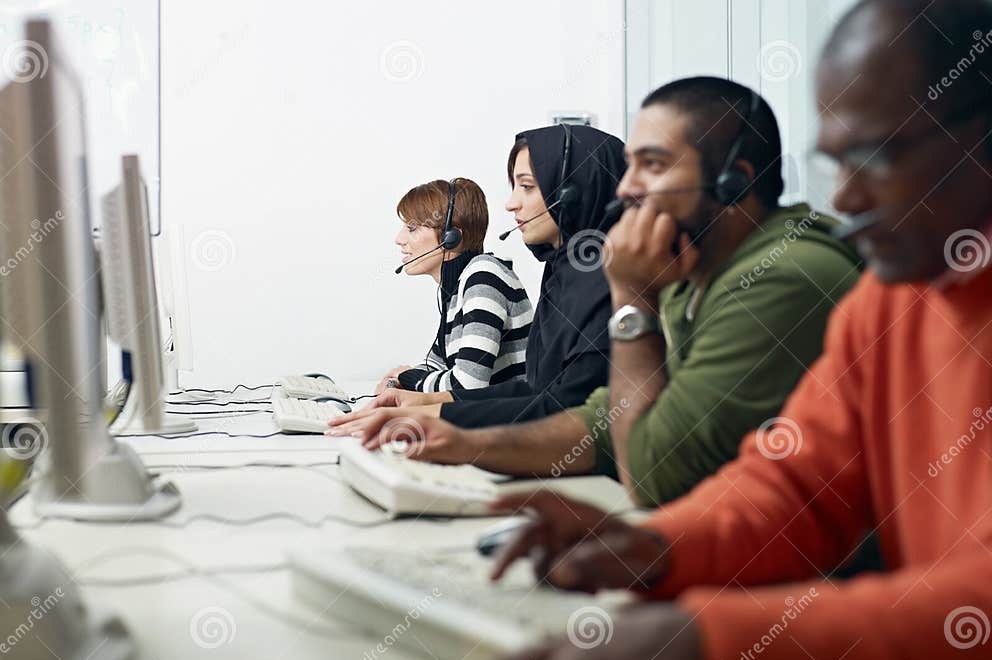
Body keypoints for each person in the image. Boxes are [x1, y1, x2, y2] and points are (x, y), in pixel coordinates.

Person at [481, 1, 992, 660]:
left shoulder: (792, 275)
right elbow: (794, 484)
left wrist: (707, 634)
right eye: (837, 161)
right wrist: (660, 548)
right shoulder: (891, 298)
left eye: (875, 154)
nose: (845, 198)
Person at [331, 78, 863, 508]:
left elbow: (655, 472)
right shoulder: (692, 276)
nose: (628, 187)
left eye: (652, 165)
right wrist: (460, 438)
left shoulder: (780, 277)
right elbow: (604, 423)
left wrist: (632, 297)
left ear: (734, 181)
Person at [362, 124, 627, 424]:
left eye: (526, 187)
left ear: (572, 191)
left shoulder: (605, 281)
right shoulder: (561, 273)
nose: (511, 203)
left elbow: (563, 408)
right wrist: (419, 403)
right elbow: (537, 390)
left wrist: (424, 408)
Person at [376, 178, 533, 394]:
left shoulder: (484, 276)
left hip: (515, 423)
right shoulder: (457, 289)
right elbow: (437, 365)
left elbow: (466, 385)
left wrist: (406, 377)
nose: (399, 239)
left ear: (451, 237)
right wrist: (399, 382)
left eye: (411, 228)